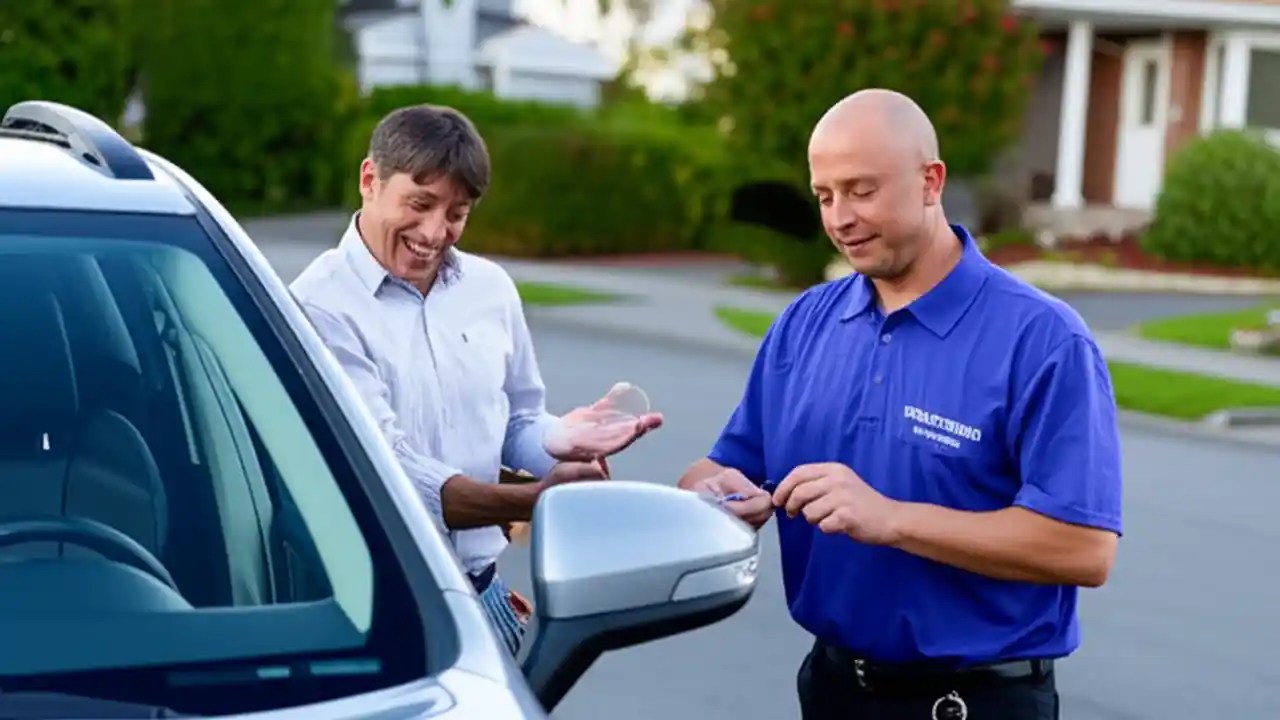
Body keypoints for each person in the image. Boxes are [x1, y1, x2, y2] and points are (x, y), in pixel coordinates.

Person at [678, 89, 1122, 720]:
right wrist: (717, 495)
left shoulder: (1043, 339)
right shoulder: (805, 323)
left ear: (930, 181)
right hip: (832, 687)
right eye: (825, 195)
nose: (840, 218)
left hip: (972, 702)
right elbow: (718, 467)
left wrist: (891, 519)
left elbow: (1083, 548)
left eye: (861, 190)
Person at [291, 104, 662, 656]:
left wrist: (561, 442)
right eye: (420, 204)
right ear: (370, 180)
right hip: (380, 614)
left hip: (484, 598)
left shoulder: (489, 289)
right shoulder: (318, 305)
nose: (436, 233)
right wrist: (535, 500)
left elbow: (517, 419)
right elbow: (387, 469)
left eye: (457, 213)